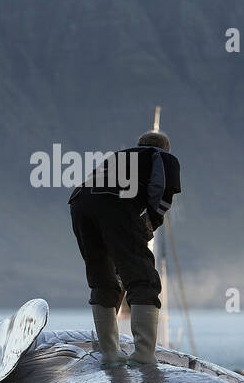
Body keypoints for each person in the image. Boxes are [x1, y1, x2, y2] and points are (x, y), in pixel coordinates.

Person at [69, 129, 181, 367]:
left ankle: (109, 354)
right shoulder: (161, 156)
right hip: (116, 201)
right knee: (143, 278)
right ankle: (143, 355)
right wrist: (148, 225)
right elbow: (162, 194)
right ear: (165, 148)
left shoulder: (120, 157)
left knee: (102, 278)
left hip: (79, 202)